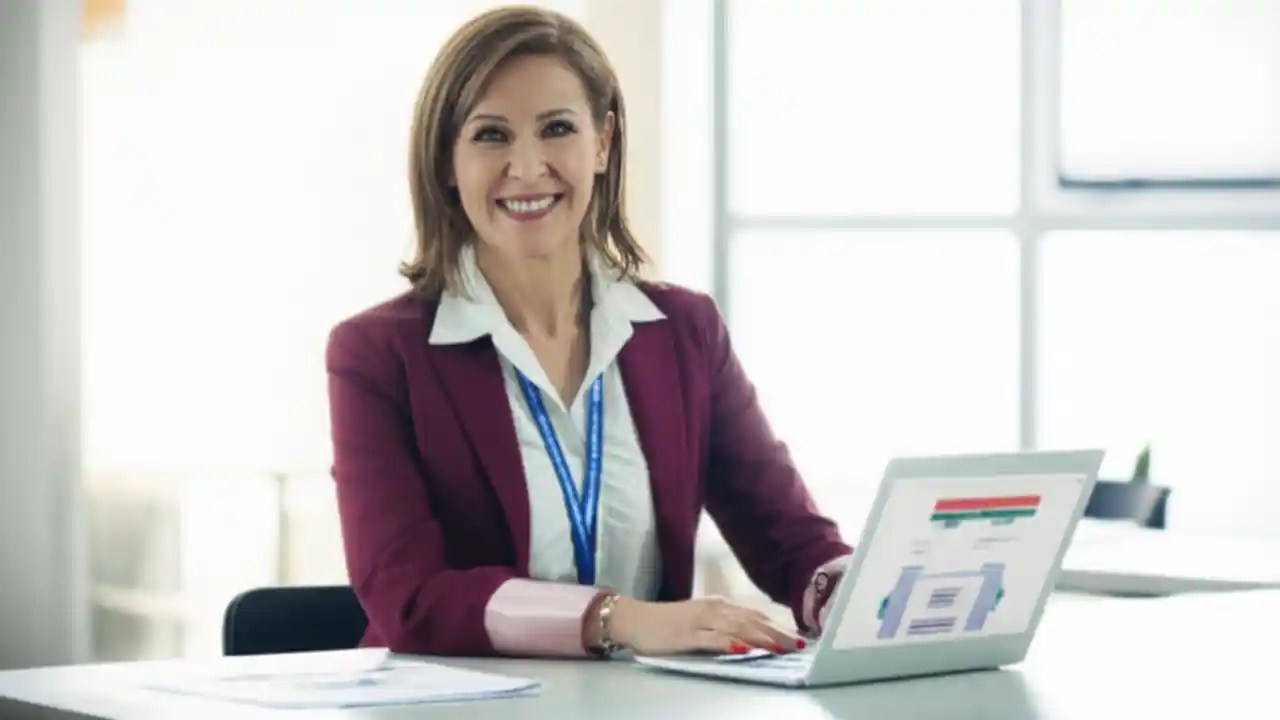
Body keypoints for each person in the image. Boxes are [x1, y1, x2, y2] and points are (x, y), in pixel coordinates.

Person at [326, 5, 851, 659]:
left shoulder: (685, 334)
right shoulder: (379, 356)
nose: (527, 166)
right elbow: (410, 597)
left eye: (556, 129)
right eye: (491, 135)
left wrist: (870, 599)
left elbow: (789, 540)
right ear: (446, 163)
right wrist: (620, 619)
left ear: (602, 143)